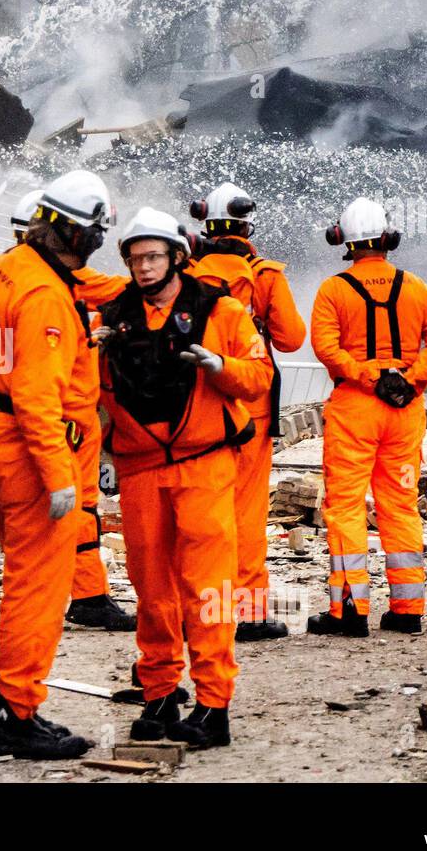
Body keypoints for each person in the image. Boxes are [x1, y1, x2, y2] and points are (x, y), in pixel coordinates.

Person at [0, 170, 115, 759]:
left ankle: (12, 703)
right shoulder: (46, 299)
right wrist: (61, 476)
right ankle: (17, 712)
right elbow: (39, 395)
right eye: (96, 233)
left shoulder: (5, 269)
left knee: (22, 579)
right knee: (38, 588)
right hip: (31, 449)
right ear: (76, 233)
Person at [95, 207, 272, 748]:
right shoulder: (112, 317)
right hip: (140, 468)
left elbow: (258, 376)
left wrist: (218, 365)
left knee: (208, 586)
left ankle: (214, 704)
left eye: (152, 256)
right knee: (152, 589)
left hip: (205, 463)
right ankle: (160, 694)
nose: (143, 267)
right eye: (134, 258)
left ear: (177, 256)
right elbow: (93, 391)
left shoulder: (220, 309)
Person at [306, 197, 427, 637]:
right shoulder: (415, 286)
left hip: (355, 409)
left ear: (343, 241)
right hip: (404, 412)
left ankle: (350, 611)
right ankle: (408, 610)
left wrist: (369, 377)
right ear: (389, 239)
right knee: (400, 507)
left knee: (346, 507)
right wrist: (410, 381)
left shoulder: (334, 290)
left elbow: (326, 349)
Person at [187, 183, 306, 640]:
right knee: (248, 513)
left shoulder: (184, 271)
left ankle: (197, 609)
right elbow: (292, 339)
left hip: (197, 407)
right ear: (246, 225)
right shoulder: (265, 274)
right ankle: (249, 613)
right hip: (251, 408)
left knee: (200, 508)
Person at [15, 188, 136, 632]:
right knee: (72, 509)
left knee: (77, 509)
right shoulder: (47, 288)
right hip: (60, 416)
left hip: (59, 413)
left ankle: (80, 595)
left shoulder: (7, 280)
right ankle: (73, 598)